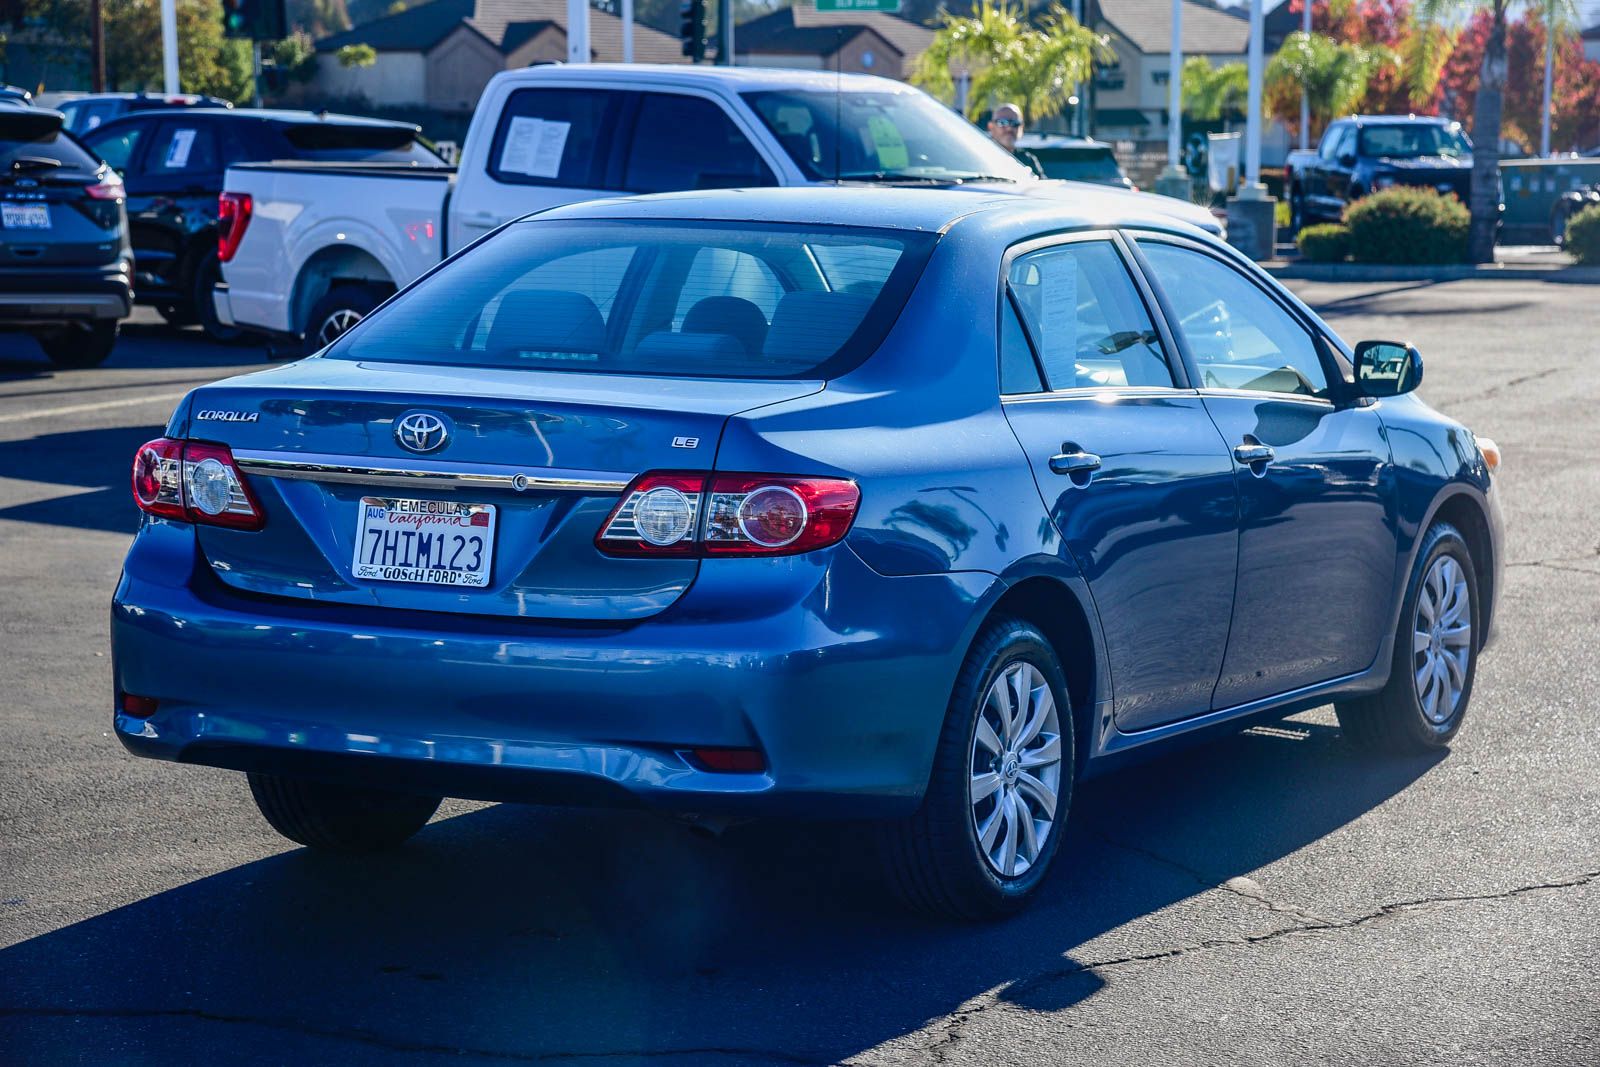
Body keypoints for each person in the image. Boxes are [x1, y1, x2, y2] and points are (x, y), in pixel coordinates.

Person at [986, 103, 1044, 178]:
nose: (1009, 128)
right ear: (991, 127)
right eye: (1002, 122)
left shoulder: (1027, 160)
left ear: (1021, 127)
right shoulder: (979, 157)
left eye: (1015, 123)